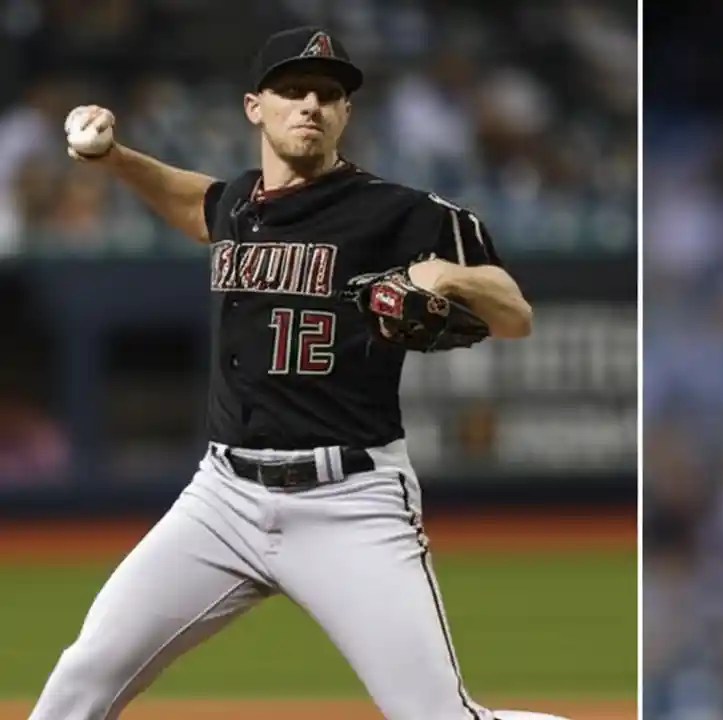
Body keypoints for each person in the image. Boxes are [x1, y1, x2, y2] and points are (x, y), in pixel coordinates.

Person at [28, 26, 568, 720]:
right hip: (222, 498)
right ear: (255, 106)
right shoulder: (241, 206)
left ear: (346, 114)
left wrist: (448, 273)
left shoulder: (399, 212)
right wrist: (116, 159)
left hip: (350, 502)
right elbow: (199, 205)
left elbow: (515, 314)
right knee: (81, 679)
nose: (310, 104)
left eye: (328, 94)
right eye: (292, 91)